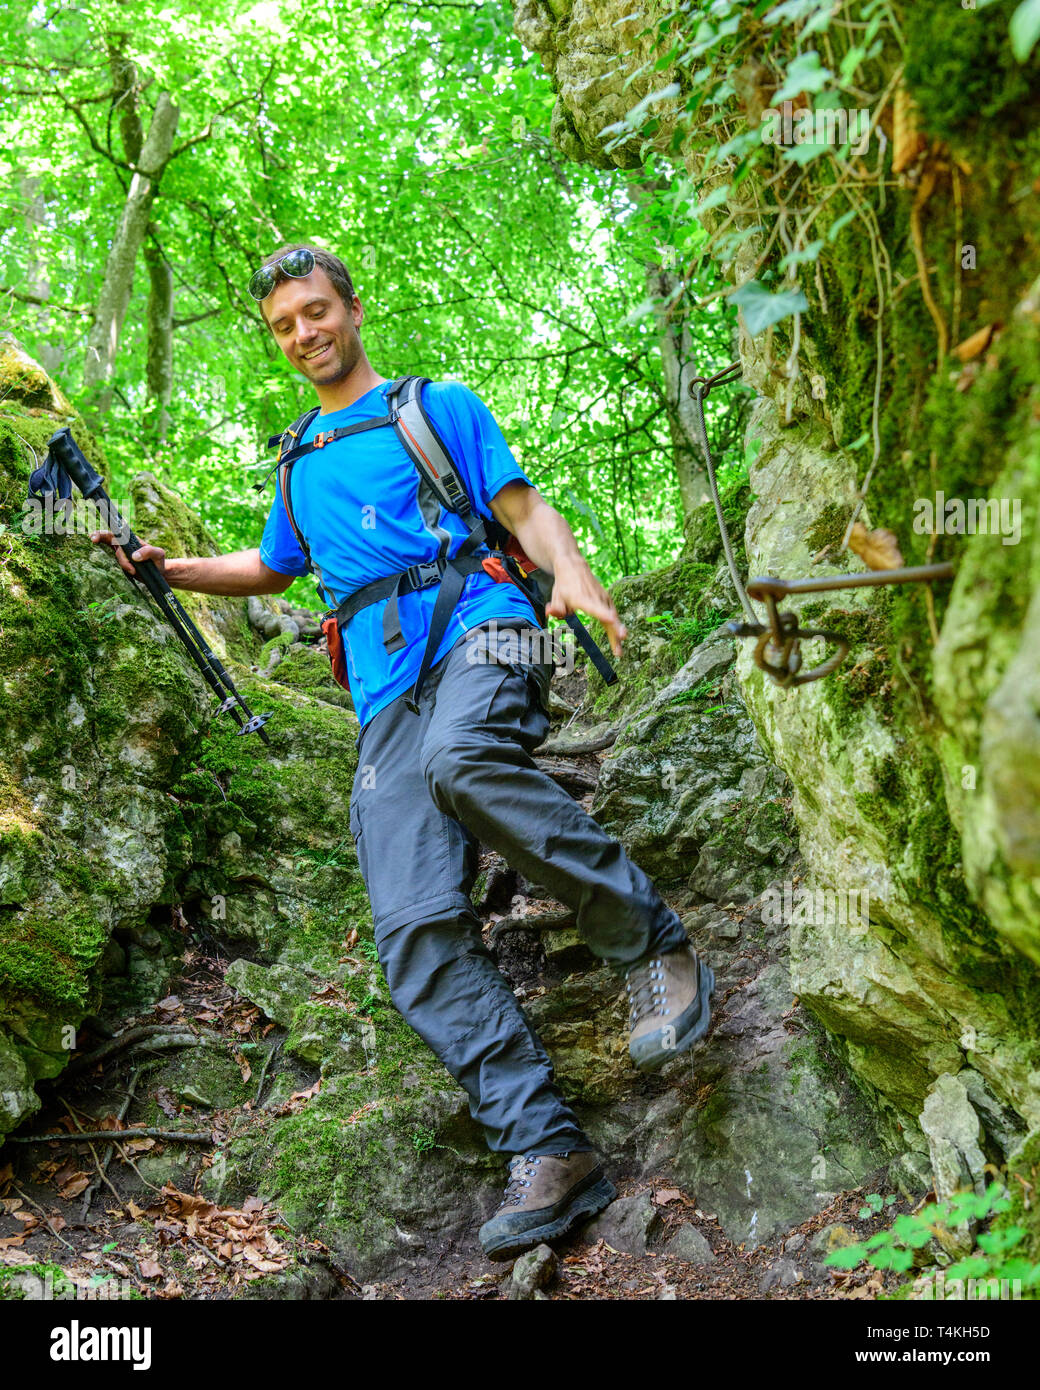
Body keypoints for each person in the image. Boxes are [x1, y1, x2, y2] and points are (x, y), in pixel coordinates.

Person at [92, 243, 715, 1263]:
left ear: (351, 308)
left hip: (484, 625)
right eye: (284, 324)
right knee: (413, 935)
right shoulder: (295, 462)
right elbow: (271, 567)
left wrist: (576, 577)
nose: (303, 333)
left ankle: (649, 941)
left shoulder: (434, 408)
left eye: (315, 310)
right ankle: (549, 1150)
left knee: (462, 762)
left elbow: (522, 511)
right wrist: (173, 567)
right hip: (383, 695)